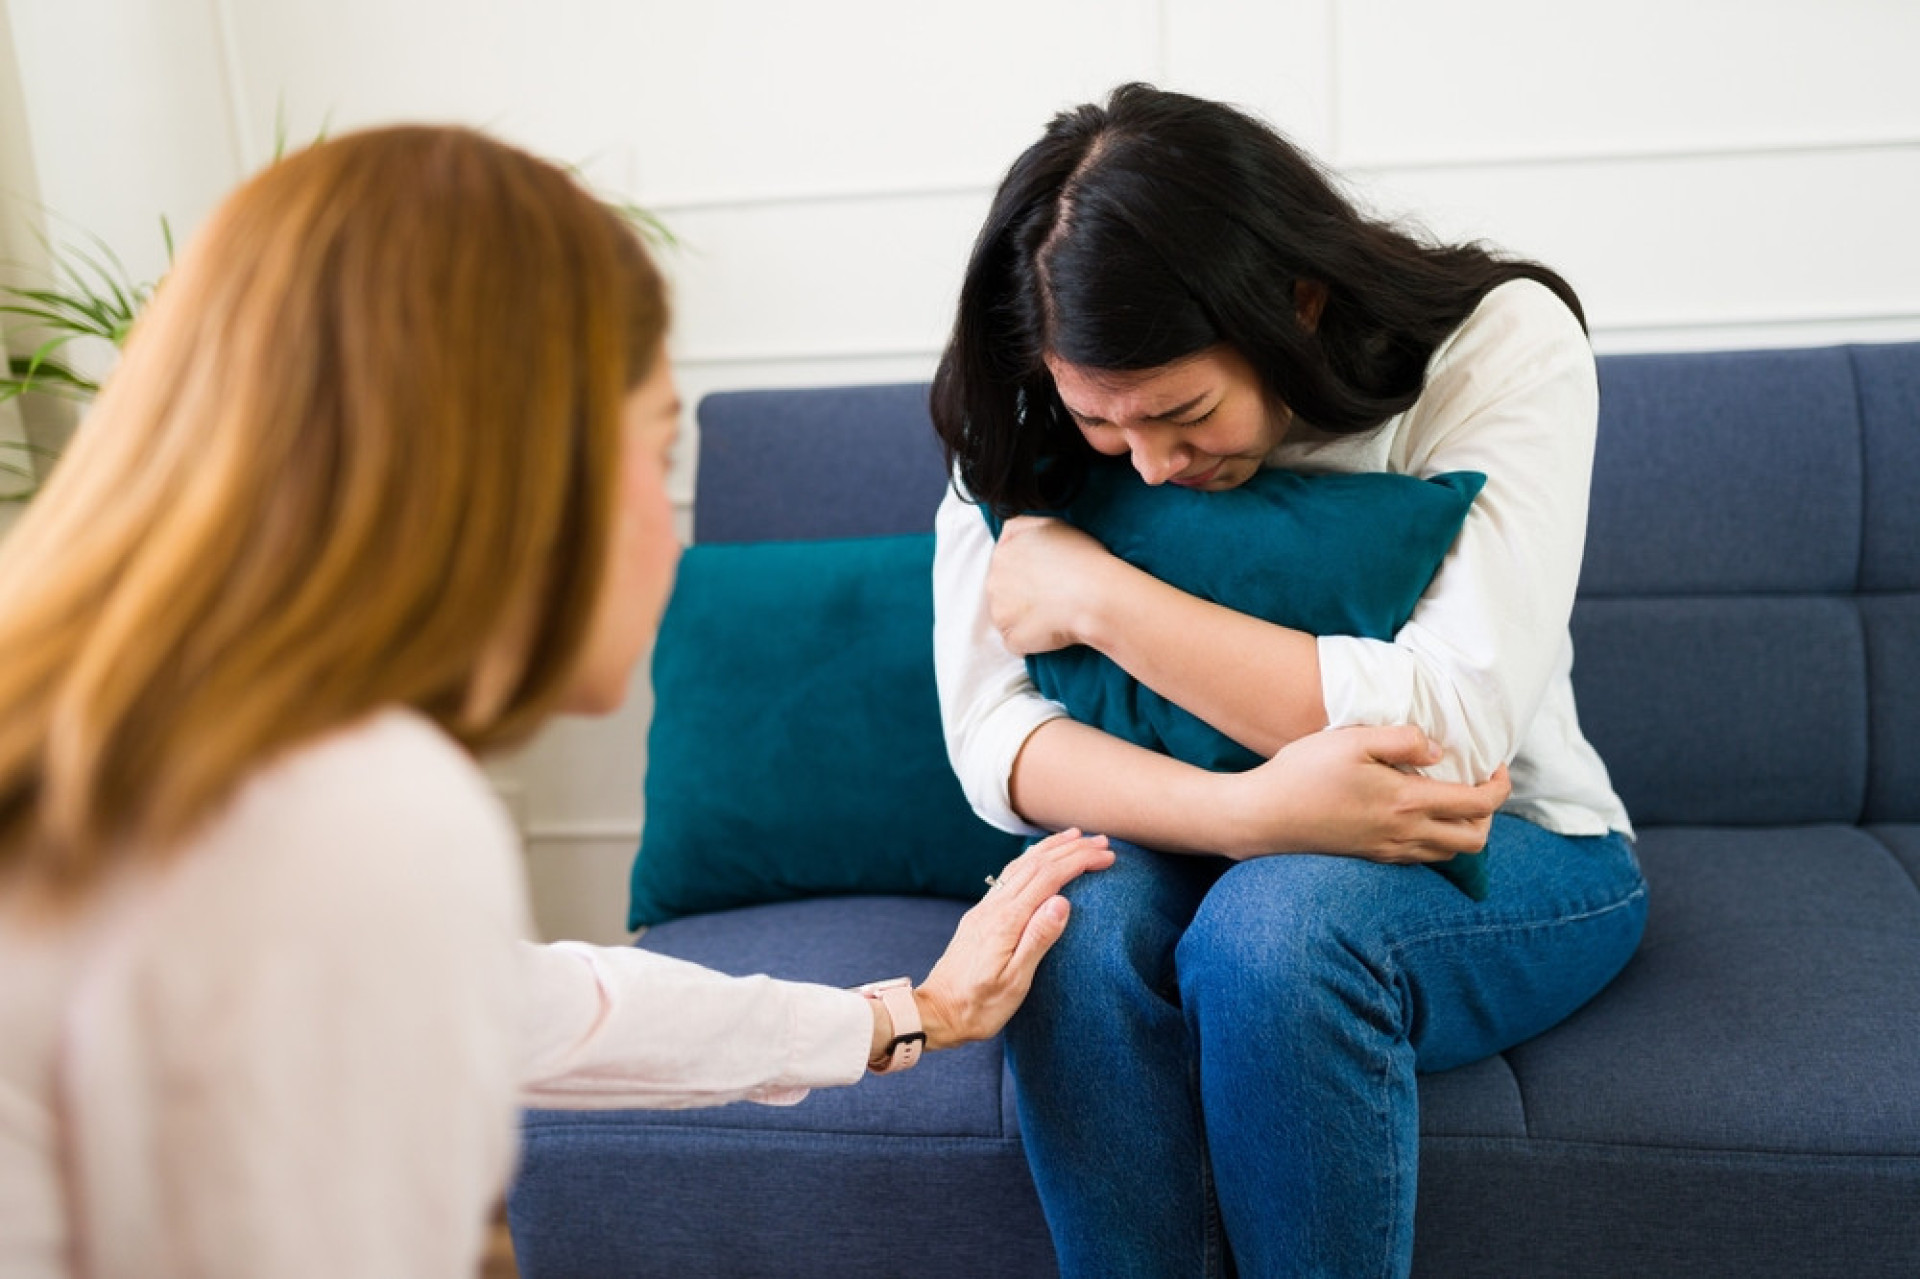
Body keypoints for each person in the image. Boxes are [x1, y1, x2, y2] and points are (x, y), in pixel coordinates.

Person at [0, 125, 1113, 1277]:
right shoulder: (351, 805)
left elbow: (541, 1009)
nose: (660, 520)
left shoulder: (163, 757)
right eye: (654, 446)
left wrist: (908, 1013)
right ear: (519, 461)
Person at [929, 83, 1647, 1277]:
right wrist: (1245, 813)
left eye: (1183, 413)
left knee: (1277, 932)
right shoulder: (1020, 401)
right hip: (1177, 841)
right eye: (1103, 430)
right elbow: (994, 738)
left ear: (1292, 303)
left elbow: (1453, 725)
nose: (1151, 468)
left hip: (1504, 835)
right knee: (1068, 931)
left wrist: (1105, 597)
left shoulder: (1497, 342)